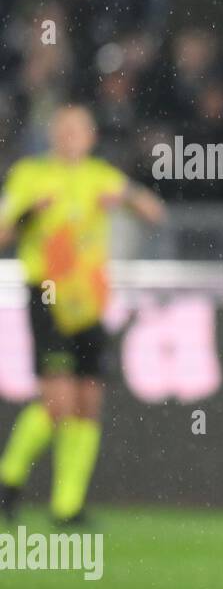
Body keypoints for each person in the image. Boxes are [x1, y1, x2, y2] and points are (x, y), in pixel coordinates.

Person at [0, 105, 166, 524]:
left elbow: (154, 211)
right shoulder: (29, 175)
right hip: (49, 297)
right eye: (64, 129)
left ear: (90, 137)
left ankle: (67, 504)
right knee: (58, 402)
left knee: (88, 401)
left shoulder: (100, 176)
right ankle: (8, 478)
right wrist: (28, 213)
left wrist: (126, 198)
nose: (70, 137)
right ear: (53, 134)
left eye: (78, 130)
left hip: (90, 302)